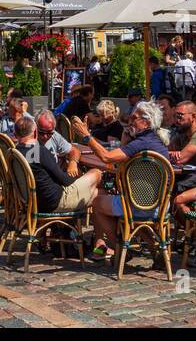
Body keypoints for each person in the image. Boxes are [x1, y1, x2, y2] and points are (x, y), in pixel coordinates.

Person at [70, 100, 170, 262]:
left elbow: (107, 157)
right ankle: (154, 248)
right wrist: (125, 138)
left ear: (146, 122)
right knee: (122, 205)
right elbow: (121, 165)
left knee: (97, 202)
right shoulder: (155, 139)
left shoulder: (141, 142)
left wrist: (86, 136)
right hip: (161, 205)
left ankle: (120, 248)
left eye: (134, 118)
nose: (129, 122)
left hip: (140, 206)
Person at [13, 116, 100, 217]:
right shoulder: (39, 151)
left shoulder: (15, 152)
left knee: (98, 193)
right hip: (53, 203)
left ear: (15, 134)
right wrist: (78, 182)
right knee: (96, 173)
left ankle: (64, 229)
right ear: (36, 132)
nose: (45, 136)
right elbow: (64, 180)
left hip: (31, 203)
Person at [34, 111, 81, 176]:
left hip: (57, 178)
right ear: (35, 127)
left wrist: (73, 162)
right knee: (95, 173)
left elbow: (75, 150)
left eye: (49, 133)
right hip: (47, 181)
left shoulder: (54, 135)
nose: (45, 136)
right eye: (41, 132)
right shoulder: (30, 141)